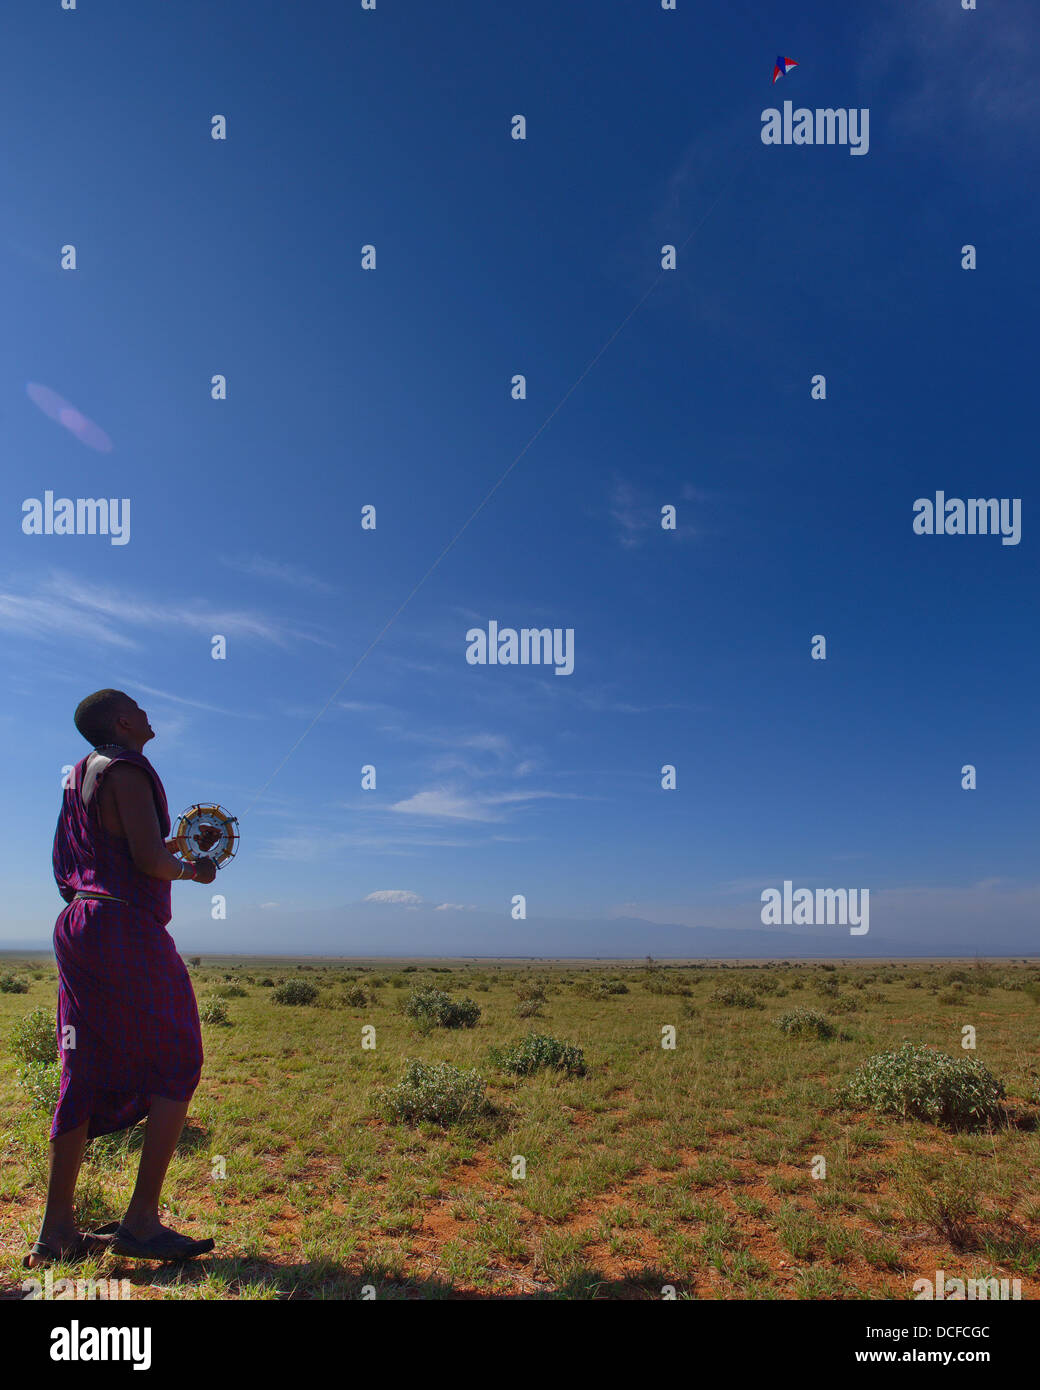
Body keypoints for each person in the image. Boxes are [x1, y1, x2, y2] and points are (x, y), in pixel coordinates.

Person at [23, 690, 218, 1268]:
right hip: (123, 925)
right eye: (141, 708)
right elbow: (150, 863)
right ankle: (141, 1221)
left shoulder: (79, 776)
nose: (152, 714)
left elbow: (108, 851)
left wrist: (166, 851)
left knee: (81, 1065)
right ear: (123, 722)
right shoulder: (129, 769)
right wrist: (192, 869)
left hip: (81, 920)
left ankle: (56, 1232)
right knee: (179, 1056)